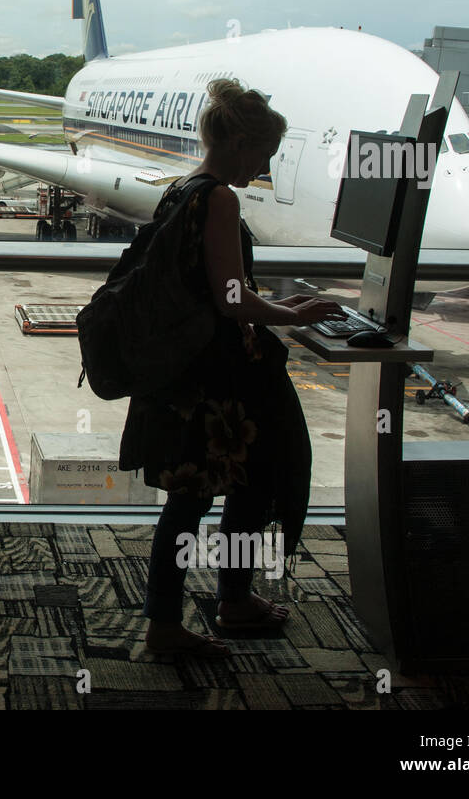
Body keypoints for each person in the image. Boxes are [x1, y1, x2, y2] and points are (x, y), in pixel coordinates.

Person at [120, 77, 346, 659]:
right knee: (198, 500)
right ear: (242, 145)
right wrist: (286, 316)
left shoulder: (182, 189)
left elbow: (217, 289)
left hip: (188, 377)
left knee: (214, 493)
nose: (264, 169)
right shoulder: (219, 198)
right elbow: (230, 300)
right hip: (209, 387)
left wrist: (280, 307)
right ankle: (171, 626)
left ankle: (214, 606)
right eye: (264, 156)